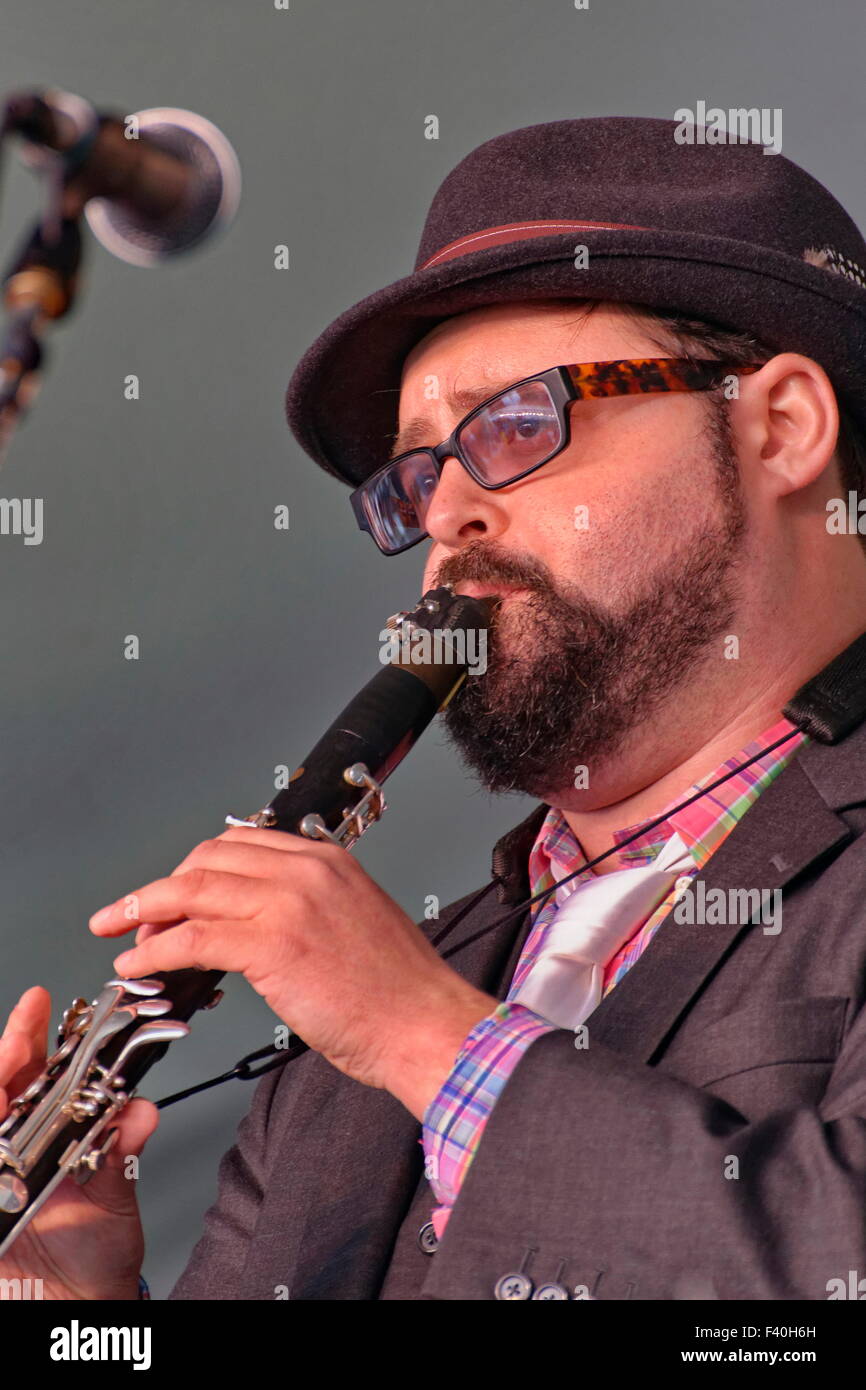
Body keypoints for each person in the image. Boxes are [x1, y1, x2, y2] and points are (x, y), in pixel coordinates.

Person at [4, 115, 866, 1301]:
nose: (445, 515)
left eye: (515, 424)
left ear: (780, 427)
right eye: (415, 476)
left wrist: (428, 1041)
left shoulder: (383, 998)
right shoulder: (374, 1000)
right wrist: (74, 1309)